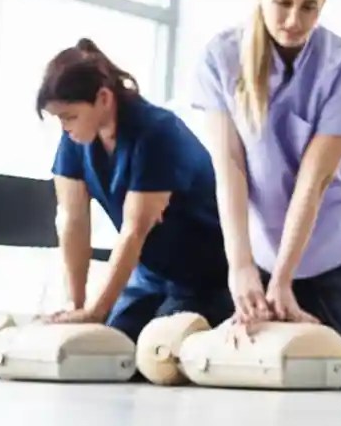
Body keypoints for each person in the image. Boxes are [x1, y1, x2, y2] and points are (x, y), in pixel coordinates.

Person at [191, 0, 341, 389]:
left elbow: (316, 179)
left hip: (339, 239)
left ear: (323, 5)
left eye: (309, 7)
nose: (294, 20)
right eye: (283, 3)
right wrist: (241, 266)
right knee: (272, 368)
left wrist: (283, 277)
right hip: (265, 242)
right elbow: (229, 166)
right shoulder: (220, 57)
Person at [38, 39, 233, 341]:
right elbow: (73, 221)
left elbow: (134, 230)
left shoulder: (157, 132)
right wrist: (76, 306)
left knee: (156, 350)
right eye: (59, 119)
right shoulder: (76, 138)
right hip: (151, 275)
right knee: (108, 343)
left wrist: (95, 312)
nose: (64, 127)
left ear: (104, 98)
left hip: (206, 277)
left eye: (70, 116)